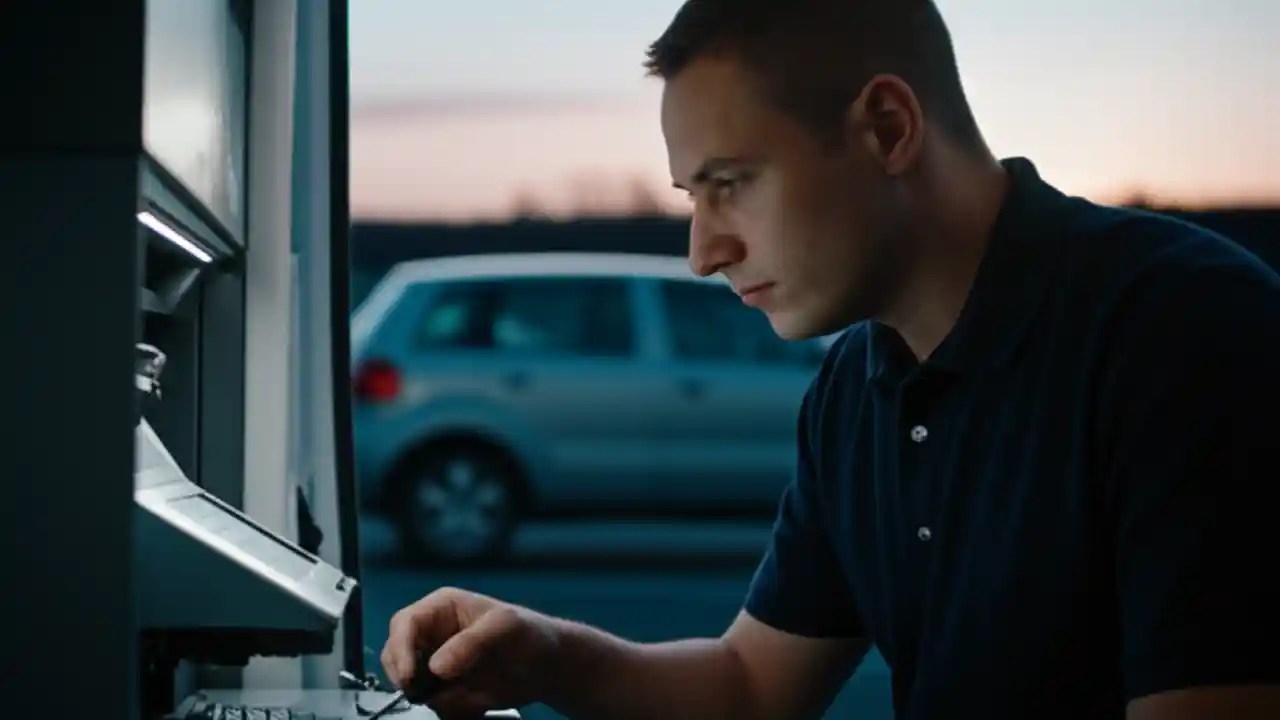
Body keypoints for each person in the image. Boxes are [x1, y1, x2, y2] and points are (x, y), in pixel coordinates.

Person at [381, 1, 1280, 718]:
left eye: (730, 183)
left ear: (887, 128)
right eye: (693, 196)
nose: (702, 251)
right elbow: (750, 685)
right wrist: (546, 653)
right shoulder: (856, 384)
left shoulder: (1187, 330)